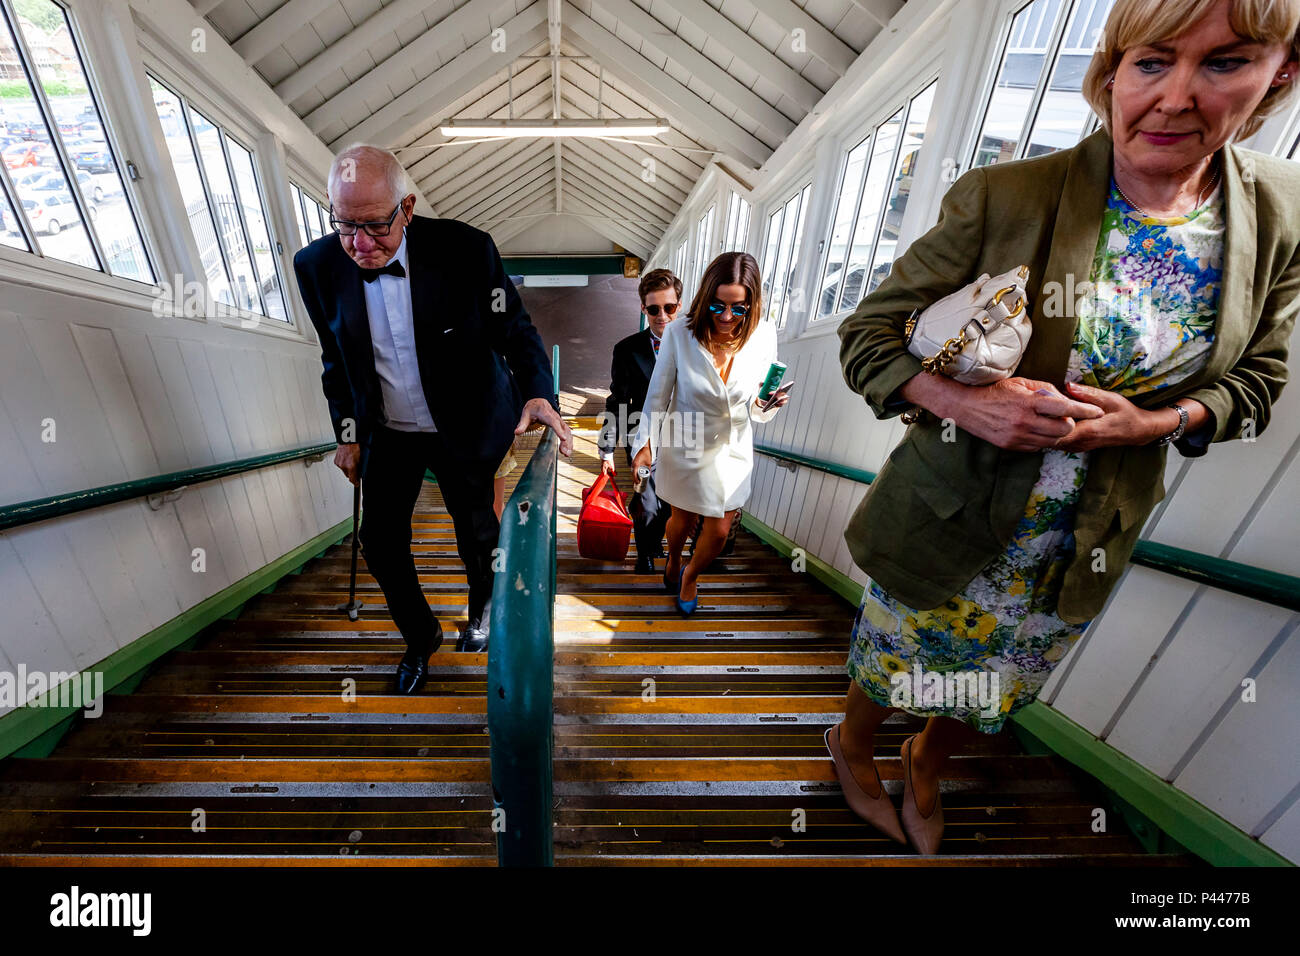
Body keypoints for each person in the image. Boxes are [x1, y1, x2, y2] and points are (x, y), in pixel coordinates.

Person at [830, 0, 1299, 855]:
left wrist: (1153, 423)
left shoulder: (1282, 214)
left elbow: (1258, 379)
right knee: (893, 662)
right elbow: (868, 336)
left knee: (992, 683)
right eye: (1152, 62)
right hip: (952, 511)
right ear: (1112, 71)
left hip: (1082, 541)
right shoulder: (1007, 195)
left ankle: (926, 759)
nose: (1176, 97)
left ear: (1282, 73)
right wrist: (965, 403)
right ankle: (853, 743)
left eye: (1225, 62)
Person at [293, 144, 573, 695]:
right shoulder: (316, 266)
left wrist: (540, 394)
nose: (360, 244)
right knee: (379, 542)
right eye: (345, 225)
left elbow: (514, 330)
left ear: (408, 208)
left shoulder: (467, 250)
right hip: (388, 431)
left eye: (376, 226)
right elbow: (335, 361)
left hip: (466, 421)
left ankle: (482, 610)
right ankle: (421, 637)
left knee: (478, 533)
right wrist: (347, 435)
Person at [632, 252, 791, 616]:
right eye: (718, 306)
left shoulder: (763, 334)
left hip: (733, 448)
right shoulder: (679, 333)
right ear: (705, 298)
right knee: (682, 521)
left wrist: (766, 404)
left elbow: (757, 408)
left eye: (739, 308)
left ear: (752, 304)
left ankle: (690, 575)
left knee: (719, 531)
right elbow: (658, 395)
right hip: (686, 442)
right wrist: (645, 443)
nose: (727, 316)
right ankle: (674, 558)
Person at [597, 268, 682, 573]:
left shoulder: (694, 346)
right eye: (654, 309)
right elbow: (617, 401)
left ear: (679, 306)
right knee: (645, 499)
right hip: (642, 437)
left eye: (669, 308)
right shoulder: (626, 350)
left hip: (684, 436)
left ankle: (656, 541)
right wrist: (607, 450)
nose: (662, 316)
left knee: (670, 503)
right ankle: (645, 553)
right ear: (644, 308)